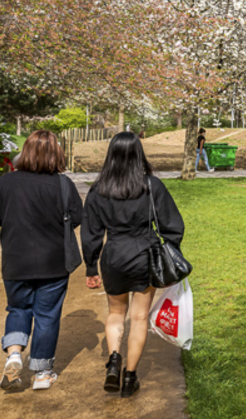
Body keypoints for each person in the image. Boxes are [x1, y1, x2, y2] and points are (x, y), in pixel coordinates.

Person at [82, 132, 185, 398]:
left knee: (116, 314)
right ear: (139, 154)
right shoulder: (152, 186)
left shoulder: (98, 189)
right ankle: (130, 377)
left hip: (114, 256)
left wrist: (91, 267)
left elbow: (91, 233)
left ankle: (113, 360)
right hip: (144, 255)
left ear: (111, 155)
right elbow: (172, 225)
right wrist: (172, 252)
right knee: (139, 318)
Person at [0, 130, 82, 391]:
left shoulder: (5, 182)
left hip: (15, 260)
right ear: (57, 154)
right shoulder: (63, 184)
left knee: (17, 309)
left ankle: (14, 354)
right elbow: (77, 218)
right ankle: (42, 374)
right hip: (53, 262)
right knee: (47, 315)